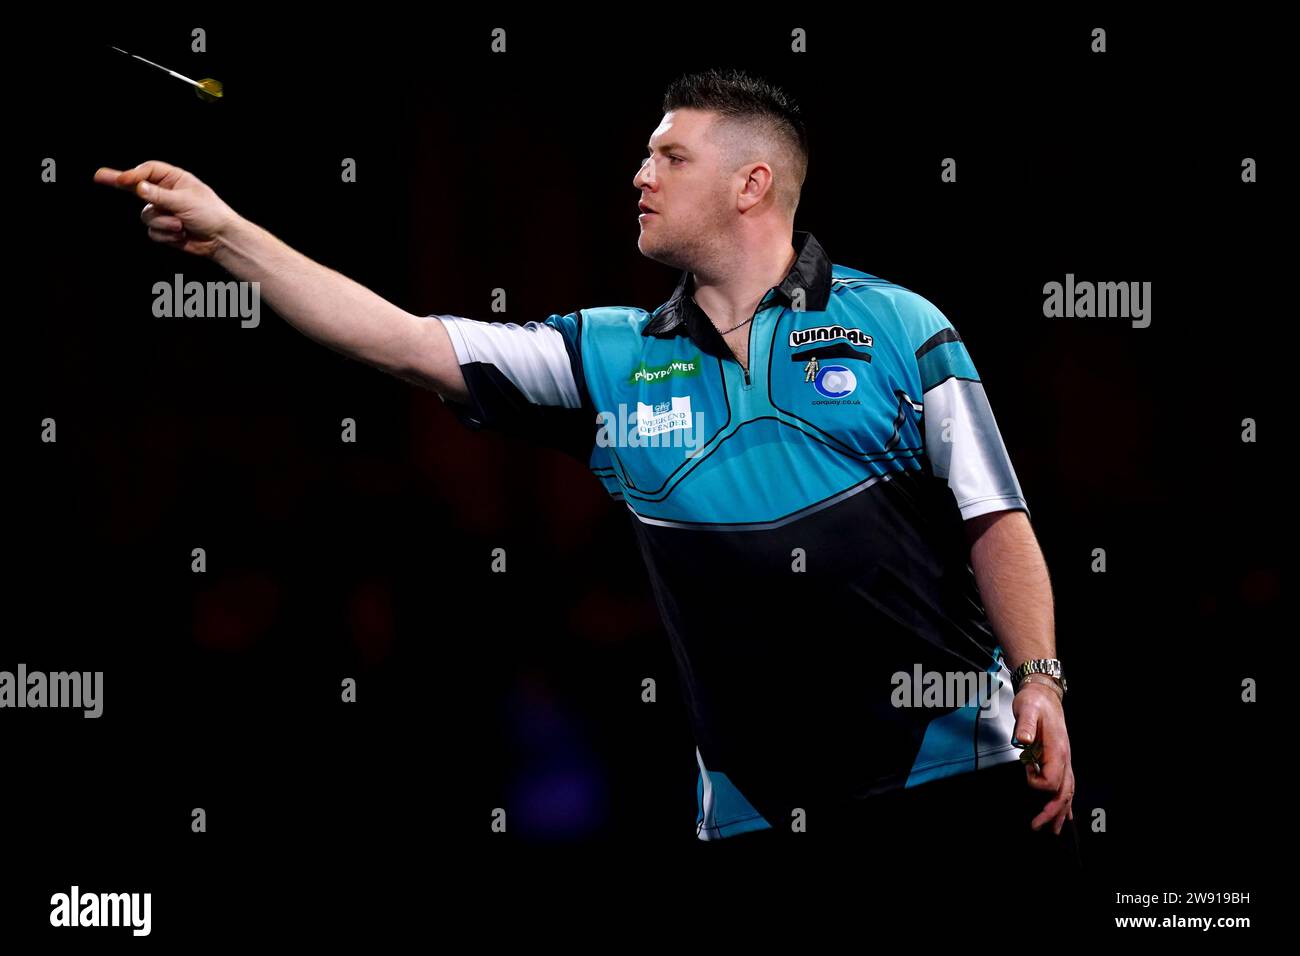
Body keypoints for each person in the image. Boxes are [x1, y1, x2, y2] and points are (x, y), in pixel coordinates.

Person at [93, 68, 1077, 861]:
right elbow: (403, 340)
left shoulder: (902, 324)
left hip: (963, 775)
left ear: (751, 184)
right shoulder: (606, 355)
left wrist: (1039, 676)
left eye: (669, 155)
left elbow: (994, 516)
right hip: (755, 814)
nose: (639, 175)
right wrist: (231, 236)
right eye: (645, 153)